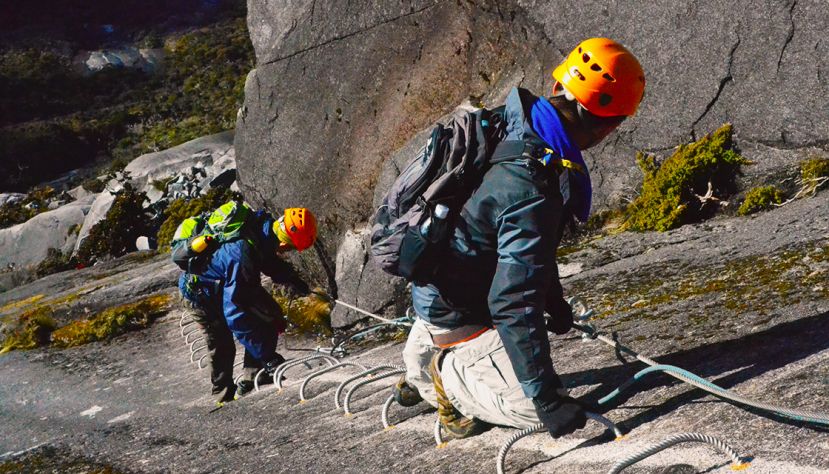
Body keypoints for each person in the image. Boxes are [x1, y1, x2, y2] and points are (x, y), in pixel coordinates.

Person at [393, 38, 646, 439]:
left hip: (436, 282)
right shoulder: (534, 184)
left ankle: (422, 352)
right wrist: (547, 400)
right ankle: (445, 372)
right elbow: (511, 298)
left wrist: (554, 298)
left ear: (561, 86)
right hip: (459, 312)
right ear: (598, 117)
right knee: (542, 413)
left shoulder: (512, 121)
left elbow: (514, 243)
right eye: (615, 122)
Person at [178, 204, 317, 404]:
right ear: (285, 242)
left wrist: (293, 280)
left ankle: (254, 376)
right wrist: (267, 355)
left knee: (271, 316)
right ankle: (223, 395)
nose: (289, 252)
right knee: (222, 342)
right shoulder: (241, 255)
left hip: (229, 283)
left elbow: (268, 260)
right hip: (202, 295)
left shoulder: (263, 230)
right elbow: (237, 314)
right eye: (292, 248)